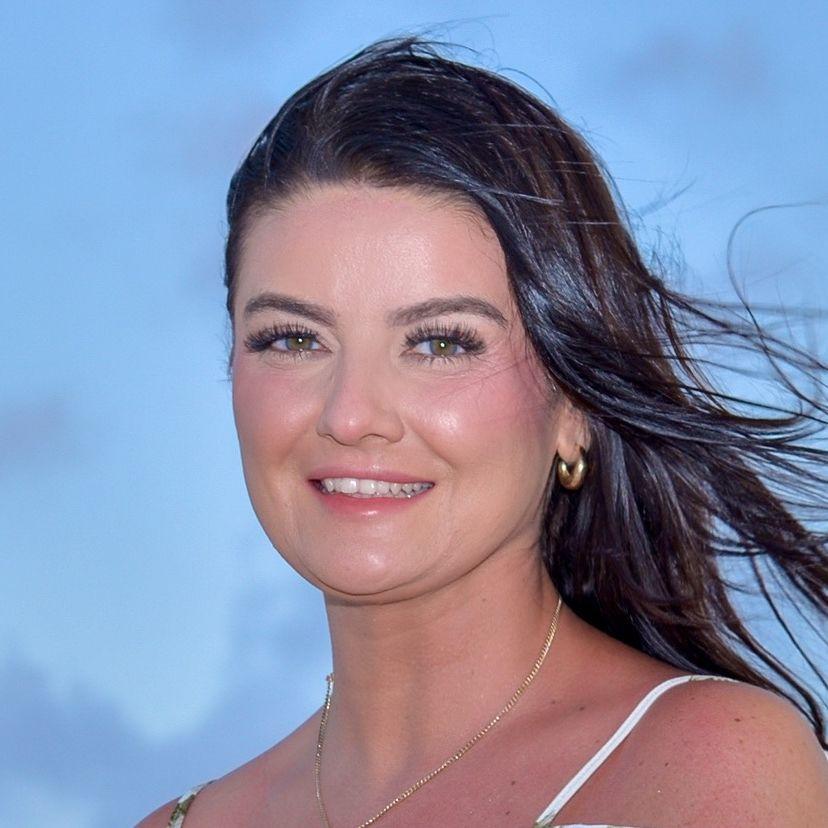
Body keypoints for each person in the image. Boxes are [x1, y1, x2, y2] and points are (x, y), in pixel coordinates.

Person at [138, 37, 828, 827]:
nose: (350, 414)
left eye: (440, 343)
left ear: (574, 407)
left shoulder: (706, 769)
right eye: (294, 339)